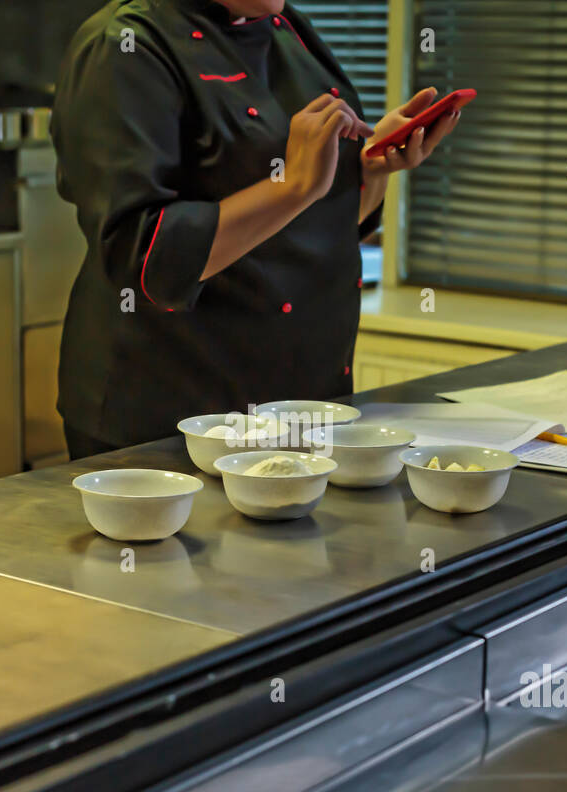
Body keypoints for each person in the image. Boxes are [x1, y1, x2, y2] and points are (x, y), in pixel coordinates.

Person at [52, 0, 461, 459]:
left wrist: (369, 169)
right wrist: (293, 186)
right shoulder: (124, 46)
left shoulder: (288, 26)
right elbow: (146, 255)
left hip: (305, 408)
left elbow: (329, 225)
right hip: (170, 415)